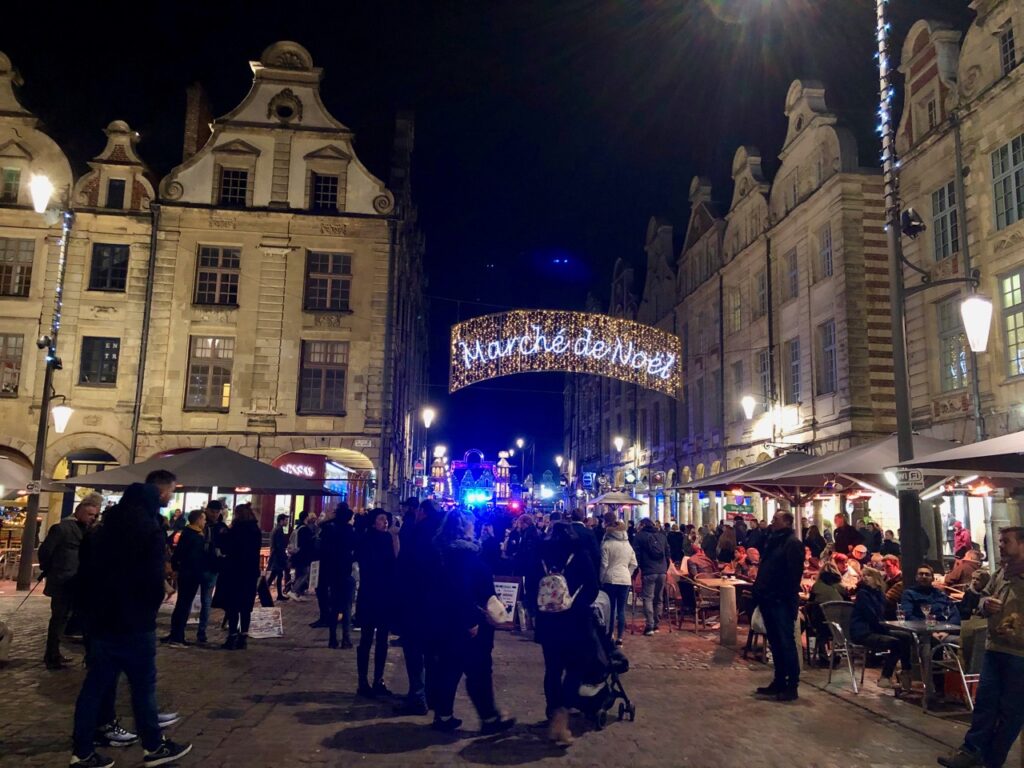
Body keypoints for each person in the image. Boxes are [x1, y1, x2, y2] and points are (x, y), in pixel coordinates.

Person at [70, 472, 192, 767]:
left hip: (102, 620)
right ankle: (153, 746)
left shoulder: (102, 530)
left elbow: (86, 573)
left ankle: (82, 751)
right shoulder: (148, 530)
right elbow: (151, 579)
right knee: (142, 687)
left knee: (94, 688)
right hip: (134, 621)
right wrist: (152, 603)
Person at [939, 527, 1024, 768]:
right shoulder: (1001, 573)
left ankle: (992, 759)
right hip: (995, 648)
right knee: (985, 704)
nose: (1000, 546)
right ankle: (970, 751)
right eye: (1000, 541)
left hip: (1020, 654)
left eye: (1006, 541)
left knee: (1011, 712)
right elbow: (982, 599)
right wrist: (986, 604)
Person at [430, 509, 514, 734]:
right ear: (462, 528)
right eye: (471, 524)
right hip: (469, 624)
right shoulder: (462, 558)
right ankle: (488, 718)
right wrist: (470, 621)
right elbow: (461, 591)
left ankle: (444, 715)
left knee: (451, 668)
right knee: (478, 671)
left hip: (449, 622)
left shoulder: (445, 554)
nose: (475, 528)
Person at [536, 521, 600, 746]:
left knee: (552, 669)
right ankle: (562, 716)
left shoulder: (541, 554)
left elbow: (531, 586)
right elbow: (593, 586)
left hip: (548, 623)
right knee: (575, 668)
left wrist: (540, 612)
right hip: (575, 622)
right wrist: (577, 605)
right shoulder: (579, 554)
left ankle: (552, 712)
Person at [394, 499, 443, 716]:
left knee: (414, 651)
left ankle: (418, 696)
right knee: (432, 652)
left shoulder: (415, 532)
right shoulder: (443, 534)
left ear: (422, 512)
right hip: (436, 602)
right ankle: (433, 696)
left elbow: (405, 565)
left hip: (415, 600)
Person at [40, 495, 101, 669]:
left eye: (95, 515)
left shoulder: (89, 530)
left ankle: (61, 654)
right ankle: (51, 655)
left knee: (72, 618)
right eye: (90, 514)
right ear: (79, 512)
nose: (93, 518)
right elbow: (46, 552)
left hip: (79, 581)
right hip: (63, 580)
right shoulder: (62, 529)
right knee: (59, 618)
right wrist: (51, 569)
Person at [752, 510, 804, 702]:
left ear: (787, 523)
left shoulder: (792, 544)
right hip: (768, 599)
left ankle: (792, 685)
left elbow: (793, 575)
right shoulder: (773, 541)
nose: (772, 522)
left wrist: (779, 595)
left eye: (776, 519)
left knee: (786, 643)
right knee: (775, 642)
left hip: (781, 601)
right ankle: (779, 680)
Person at [356, 509, 398, 697]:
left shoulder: (384, 538)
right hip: (374, 593)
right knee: (368, 639)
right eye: (382, 519)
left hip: (379, 594)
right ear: (373, 522)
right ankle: (365, 680)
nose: (385, 522)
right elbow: (391, 562)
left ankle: (375, 679)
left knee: (380, 639)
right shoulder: (370, 539)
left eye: (386, 519)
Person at [850, 567, 914, 691]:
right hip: (863, 631)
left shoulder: (879, 594)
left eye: (868, 575)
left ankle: (906, 671)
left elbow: (881, 616)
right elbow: (871, 617)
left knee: (906, 636)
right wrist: (886, 629)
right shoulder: (863, 593)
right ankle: (885, 677)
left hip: (876, 628)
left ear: (876, 578)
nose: (864, 578)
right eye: (863, 575)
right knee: (895, 643)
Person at [214, 503, 262, 650]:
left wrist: (224, 534)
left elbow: (226, 547)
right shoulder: (256, 530)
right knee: (246, 606)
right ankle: (243, 638)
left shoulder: (235, 530)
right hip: (250, 572)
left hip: (234, 572)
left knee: (233, 605)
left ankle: (232, 636)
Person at [163, 510, 207, 647]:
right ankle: (178, 636)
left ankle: (175, 633)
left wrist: (176, 567)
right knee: (184, 604)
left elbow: (179, 553)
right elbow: (194, 558)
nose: (204, 522)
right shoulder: (196, 536)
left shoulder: (186, 533)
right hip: (191, 574)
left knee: (181, 603)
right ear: (198, 519)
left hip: (185, 573)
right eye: (203, 519)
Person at [316, 504, 357, 649]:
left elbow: (320, 537)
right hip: (345, 572)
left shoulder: (329, 529)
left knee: (334, 606)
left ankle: (332, 638)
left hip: (331, 572)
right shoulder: (349, 530)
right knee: (346, 607)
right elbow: (354, 549)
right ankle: (346, 638)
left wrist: (329, 519)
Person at [600, 516, 637, 646]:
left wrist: (601, 579)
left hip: (610, 579)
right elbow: (634, 564)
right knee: (621, 610)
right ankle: (620, 638)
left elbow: (604, 565)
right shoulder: (628, 546)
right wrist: (628, 573)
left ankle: (610, 635)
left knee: (610, 609)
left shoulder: (607, 544)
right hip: (625, 579)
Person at [633, 518, 669, 636]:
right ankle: (656, 623)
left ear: (642, 525)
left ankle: (650, 626)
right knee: (658, 598)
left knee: (648, 598)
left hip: (648, 571)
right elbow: (668, 553)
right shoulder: (662, 536)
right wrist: (665, 568)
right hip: (662, 571)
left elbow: (636, 554)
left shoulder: (639, 536)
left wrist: (638, 569)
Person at [198, 501, 228, 643]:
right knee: (195, 599)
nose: (215, 514)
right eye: (213, 511)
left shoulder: (221, 527)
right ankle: (181, 631)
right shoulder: (201, 523)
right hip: (199, 566)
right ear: (207, 510)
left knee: (206, 600)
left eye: (217, 512)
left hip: (212, 567)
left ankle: (202, 631)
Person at [286, 512, 318, 600]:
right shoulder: (305, 529)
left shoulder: (298, 527)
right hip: (303, 556)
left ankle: (298, 593)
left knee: (299, 573)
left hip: (297, 555)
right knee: (304, 574)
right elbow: (306, 544)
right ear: (306, 517)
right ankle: (293, 590)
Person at [268, 514, 290, 602]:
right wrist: (284, 556)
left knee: (276, 575)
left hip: (276, 556)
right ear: (281, 520)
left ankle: (279, 594)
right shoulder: (279, 530)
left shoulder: (276, 529)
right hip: (277, 556)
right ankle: (263, 591)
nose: (287, 522)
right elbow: (279, 545)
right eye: (286, 520)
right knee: (277, 575)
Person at [881, 554, 904, 619]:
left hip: (894, 612)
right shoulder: (884, 578)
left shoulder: (902, 579)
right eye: (884, 567)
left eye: (888, 566)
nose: (885, 569)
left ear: (896, 565)